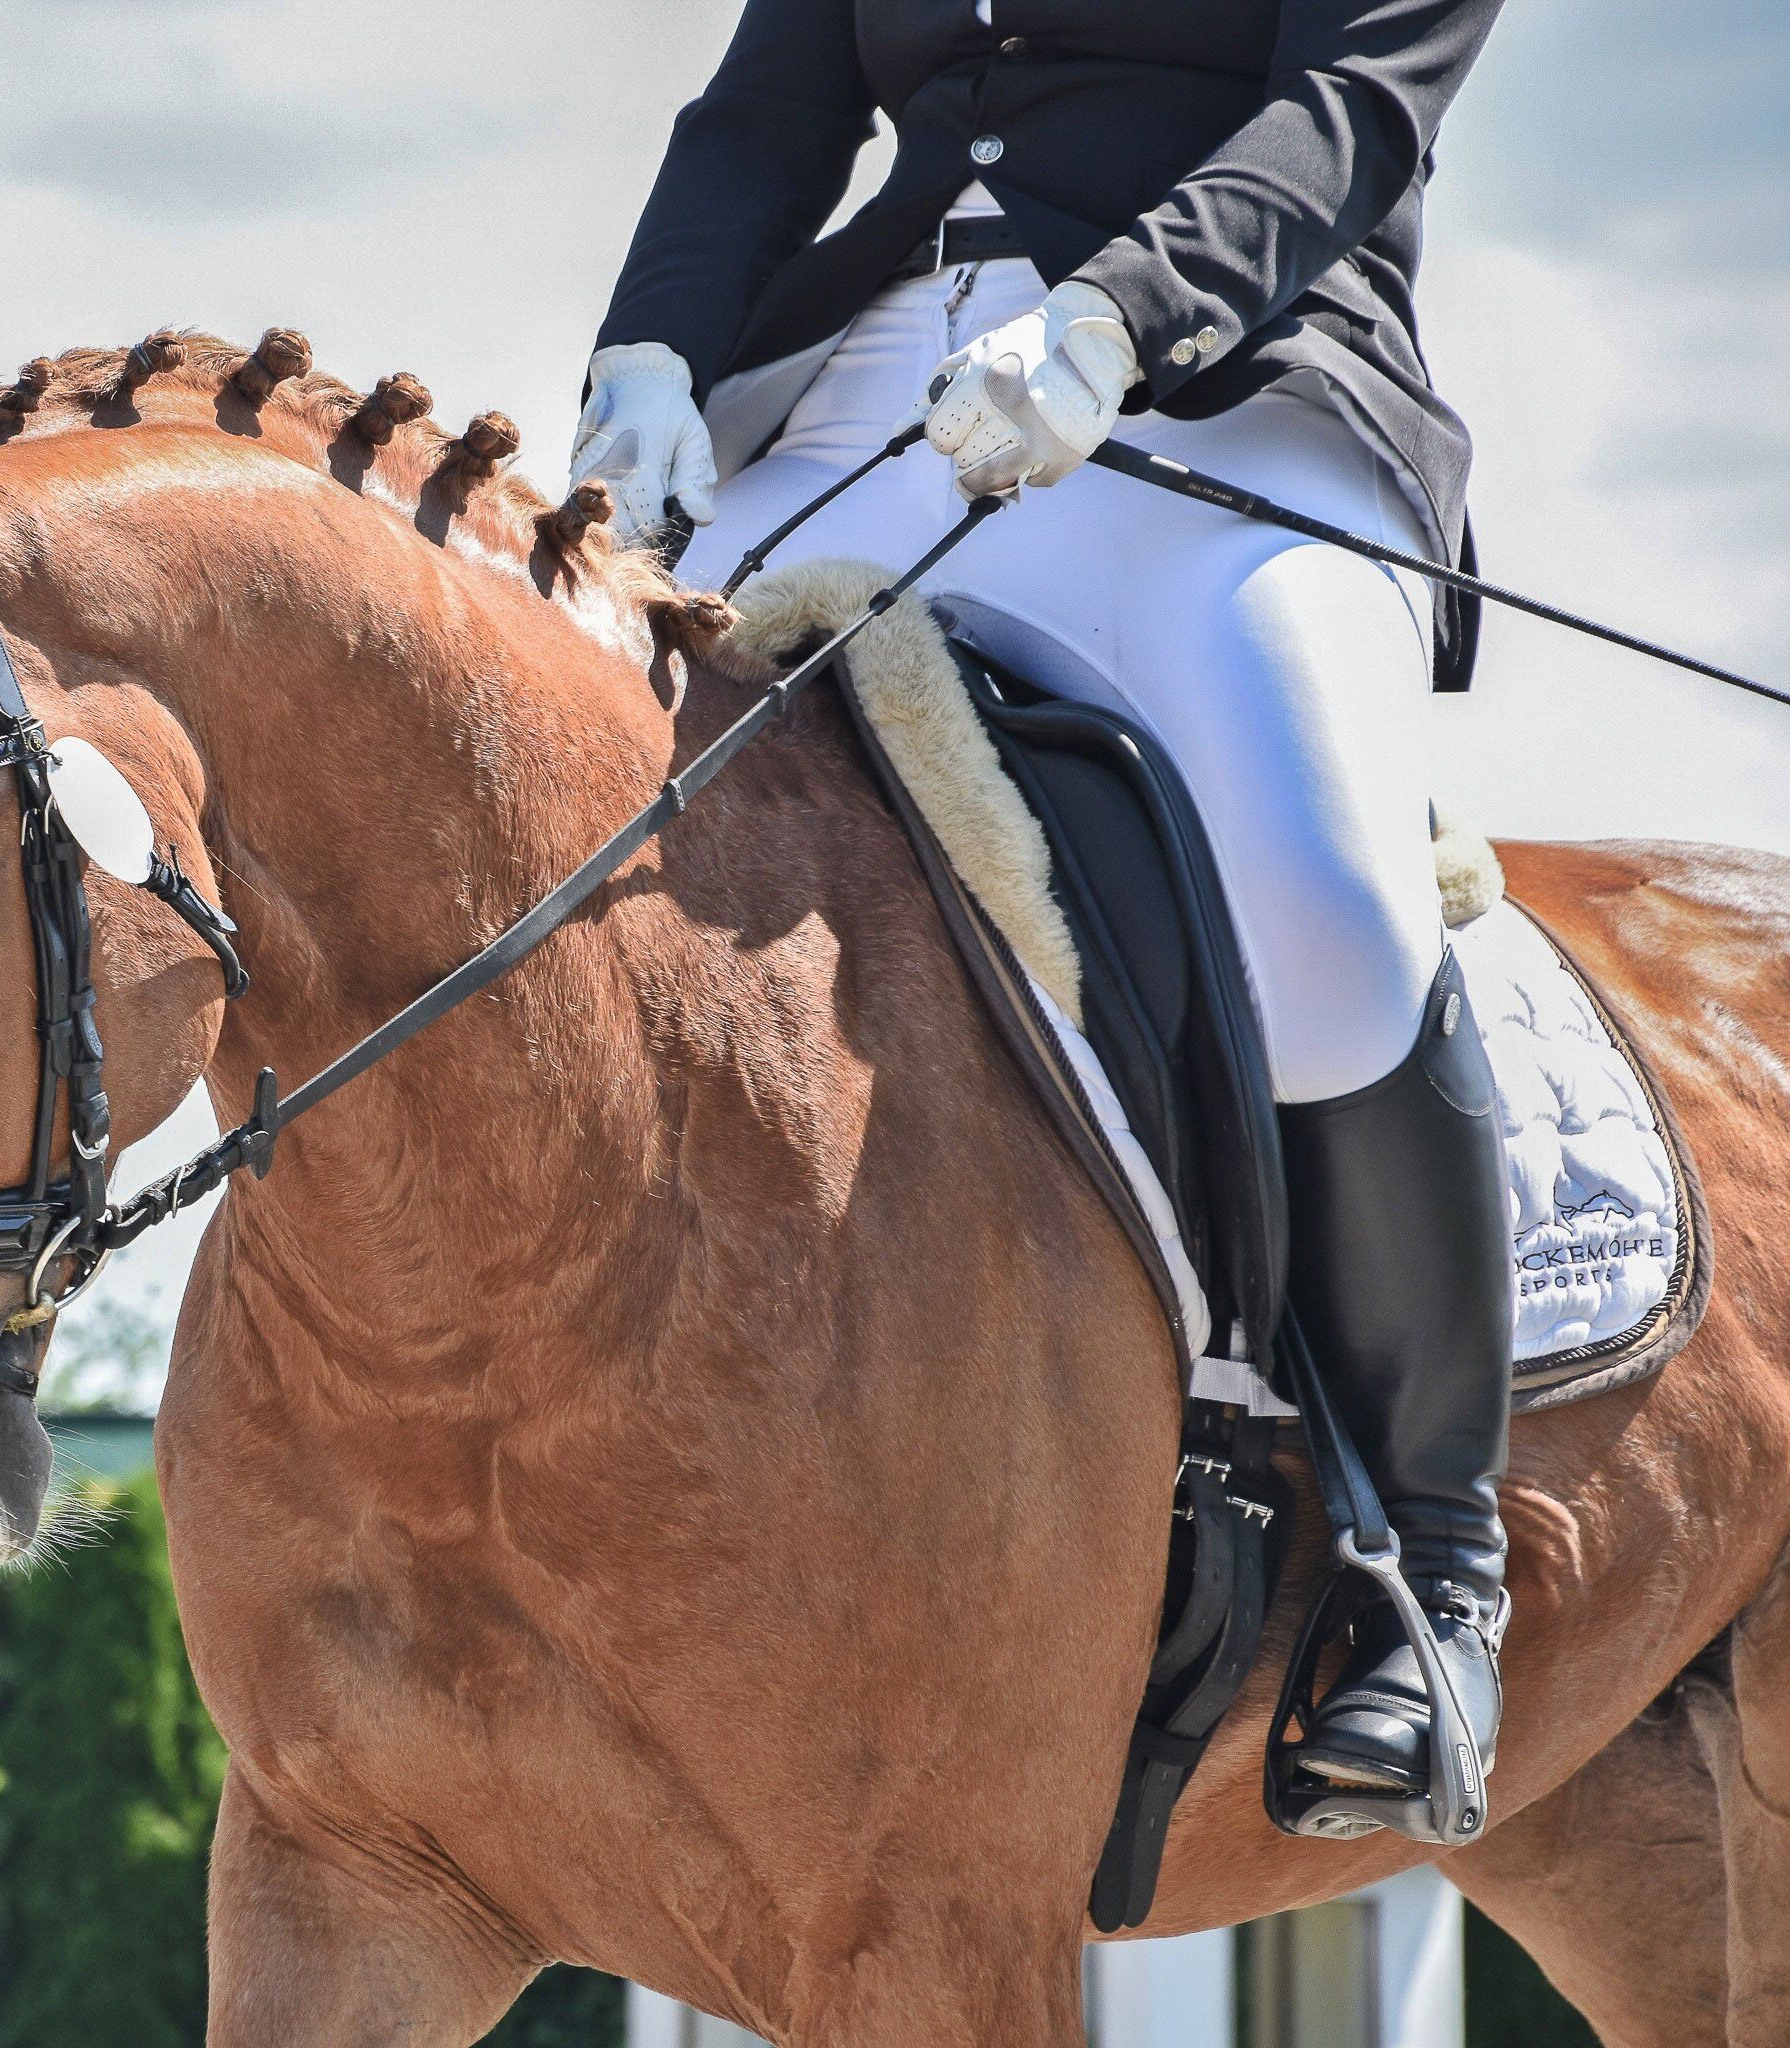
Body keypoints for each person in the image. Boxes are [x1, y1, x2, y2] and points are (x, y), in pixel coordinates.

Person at [574, 0, 1514, 1811]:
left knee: (1320, 913)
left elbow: (1351, 112)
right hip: (861, 387)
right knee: (553, 807)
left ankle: (1431, 1577)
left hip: (1227, 392)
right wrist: (654, 354)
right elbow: (764, 118)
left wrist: (1112, 320)